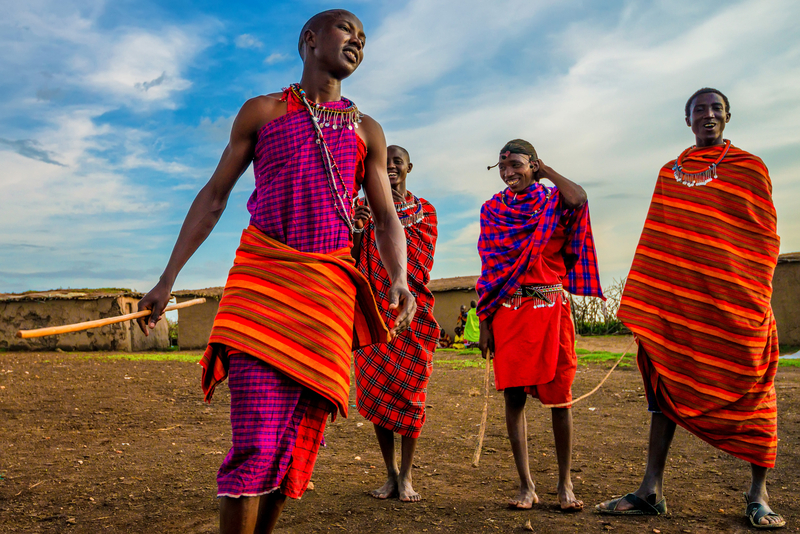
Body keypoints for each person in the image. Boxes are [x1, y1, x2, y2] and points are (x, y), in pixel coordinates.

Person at [135, 10, 417, 534]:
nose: (357, 40)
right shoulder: (263, 112)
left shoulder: (367, 130)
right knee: (256, 442)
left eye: (364, 36)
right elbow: (214, 196)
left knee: (292, 446)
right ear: (309, 39)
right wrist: (167, 278)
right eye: (345, 29)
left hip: (327, 297)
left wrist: (398, 277)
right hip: (262, 286)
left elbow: (385, 218)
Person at [596, 88, 785, 529]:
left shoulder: (750, 168)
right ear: (687, 120)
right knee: (666, 385)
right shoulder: (670, 173)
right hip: (680, 307)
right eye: (699, 109)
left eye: (716, 108)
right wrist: (653, 302)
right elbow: (660, 240)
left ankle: (759, 494)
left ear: (728, 116)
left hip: (736, 304)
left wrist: (748, 290)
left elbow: (763, 237)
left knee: (755, 390)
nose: (708, 115)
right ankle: (650, 491)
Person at [477, 139, 603, 511]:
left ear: (533, 164)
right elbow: (490, 269)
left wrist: (546, 170)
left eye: (516, 164)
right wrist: (485, 323)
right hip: (509, 312)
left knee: (560, 399)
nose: (508, 172)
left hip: (552, 311)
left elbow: (579, 199)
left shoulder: (553, 201)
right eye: (502, 167)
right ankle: (526, 486)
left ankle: (565, 485)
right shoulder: (492, 210)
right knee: (513, 400)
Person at [351, 145, 438, 503]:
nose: (390, 169)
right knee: (376, 394)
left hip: (411, 312)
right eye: (384, 164)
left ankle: (407, 475)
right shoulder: (360, 208)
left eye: (397, 163)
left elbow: (423, 262)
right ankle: (389, 473)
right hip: (373, 313)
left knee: (412, 396)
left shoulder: (425, 212)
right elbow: (352, 258)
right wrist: (358, 230)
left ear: (409, 168)